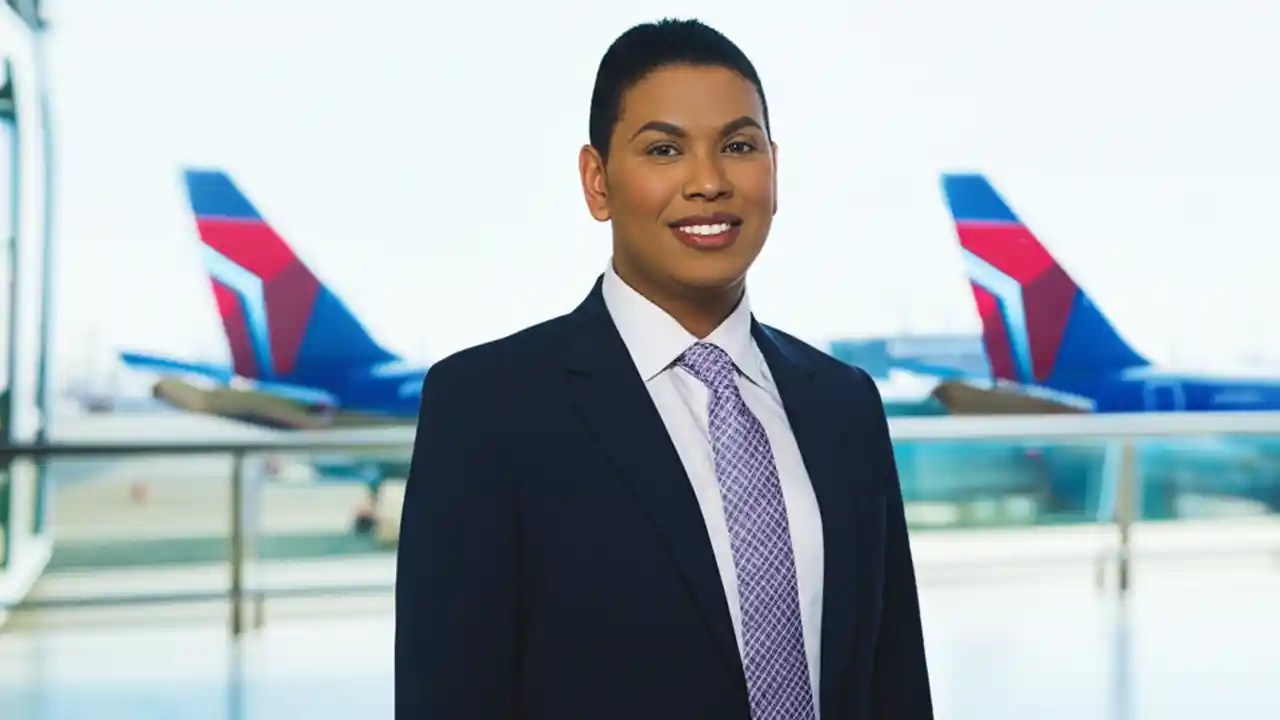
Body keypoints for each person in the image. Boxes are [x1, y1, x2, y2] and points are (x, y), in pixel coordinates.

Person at [395, 17, 933, 720]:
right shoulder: (489, 408)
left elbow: (894, 681)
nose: (708, 182)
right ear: (597, 182)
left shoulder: (843, 404)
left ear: (773, 169)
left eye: (737, 146)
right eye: (664, 149)